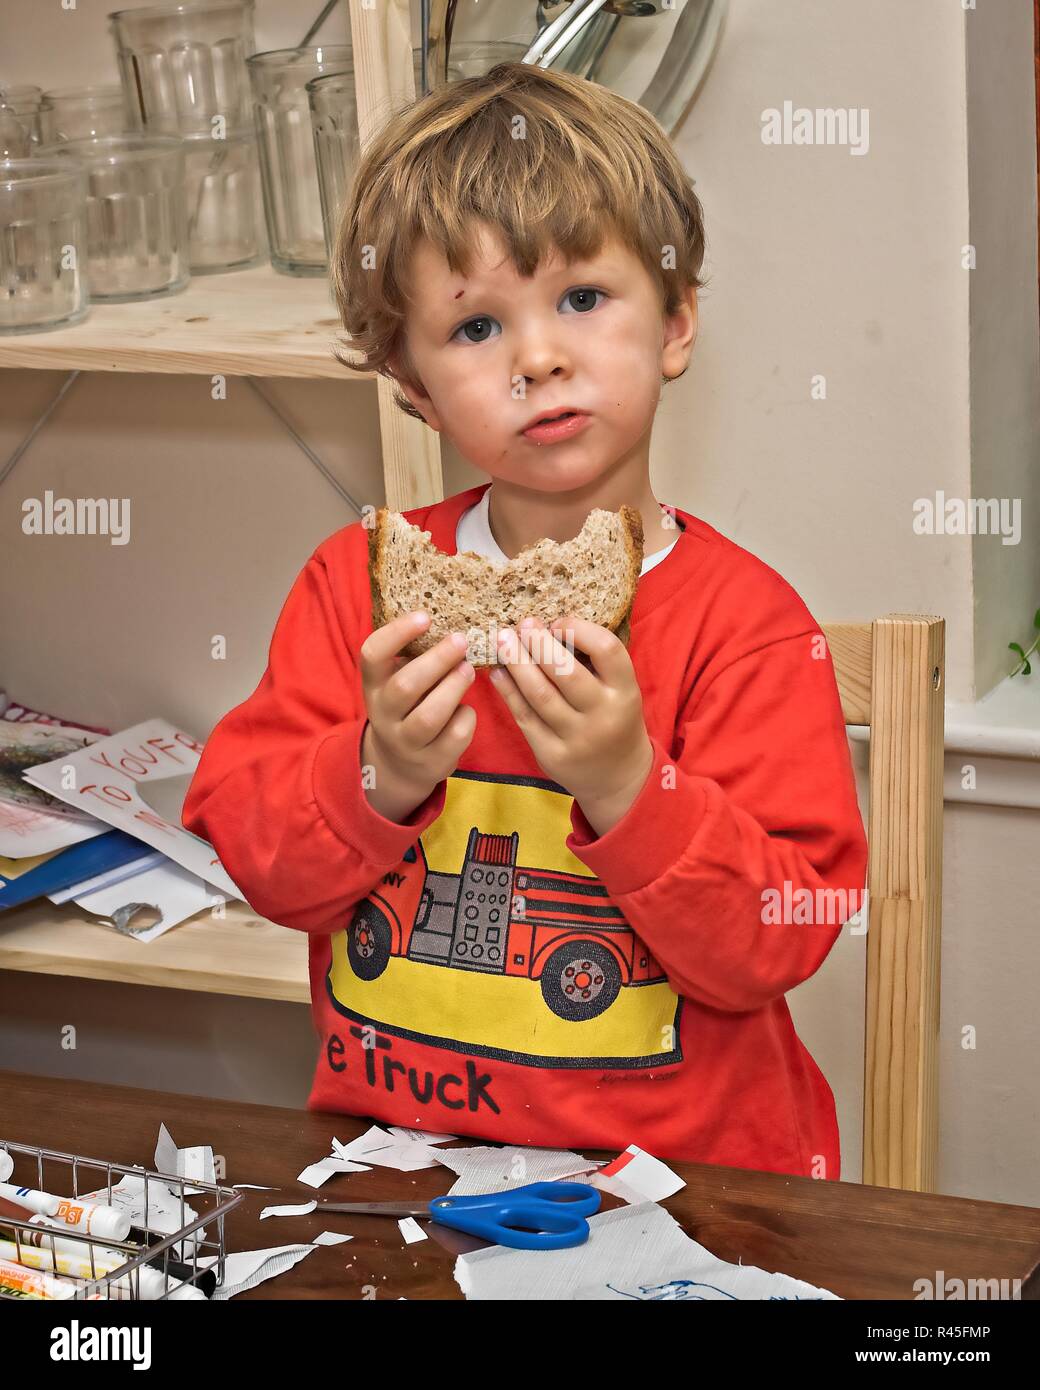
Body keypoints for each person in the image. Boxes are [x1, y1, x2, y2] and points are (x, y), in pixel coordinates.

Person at [182, 62, 867, 1179]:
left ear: (677, 321)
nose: (538, 357)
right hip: (406, 1171)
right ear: (407, 380)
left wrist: (626, 784)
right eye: (475, 327)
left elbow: (777, 938)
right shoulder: (349, 588)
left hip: (686, 1193)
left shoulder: (748, 625)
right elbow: (260, 862)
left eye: (583, 300)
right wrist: (377, 770)